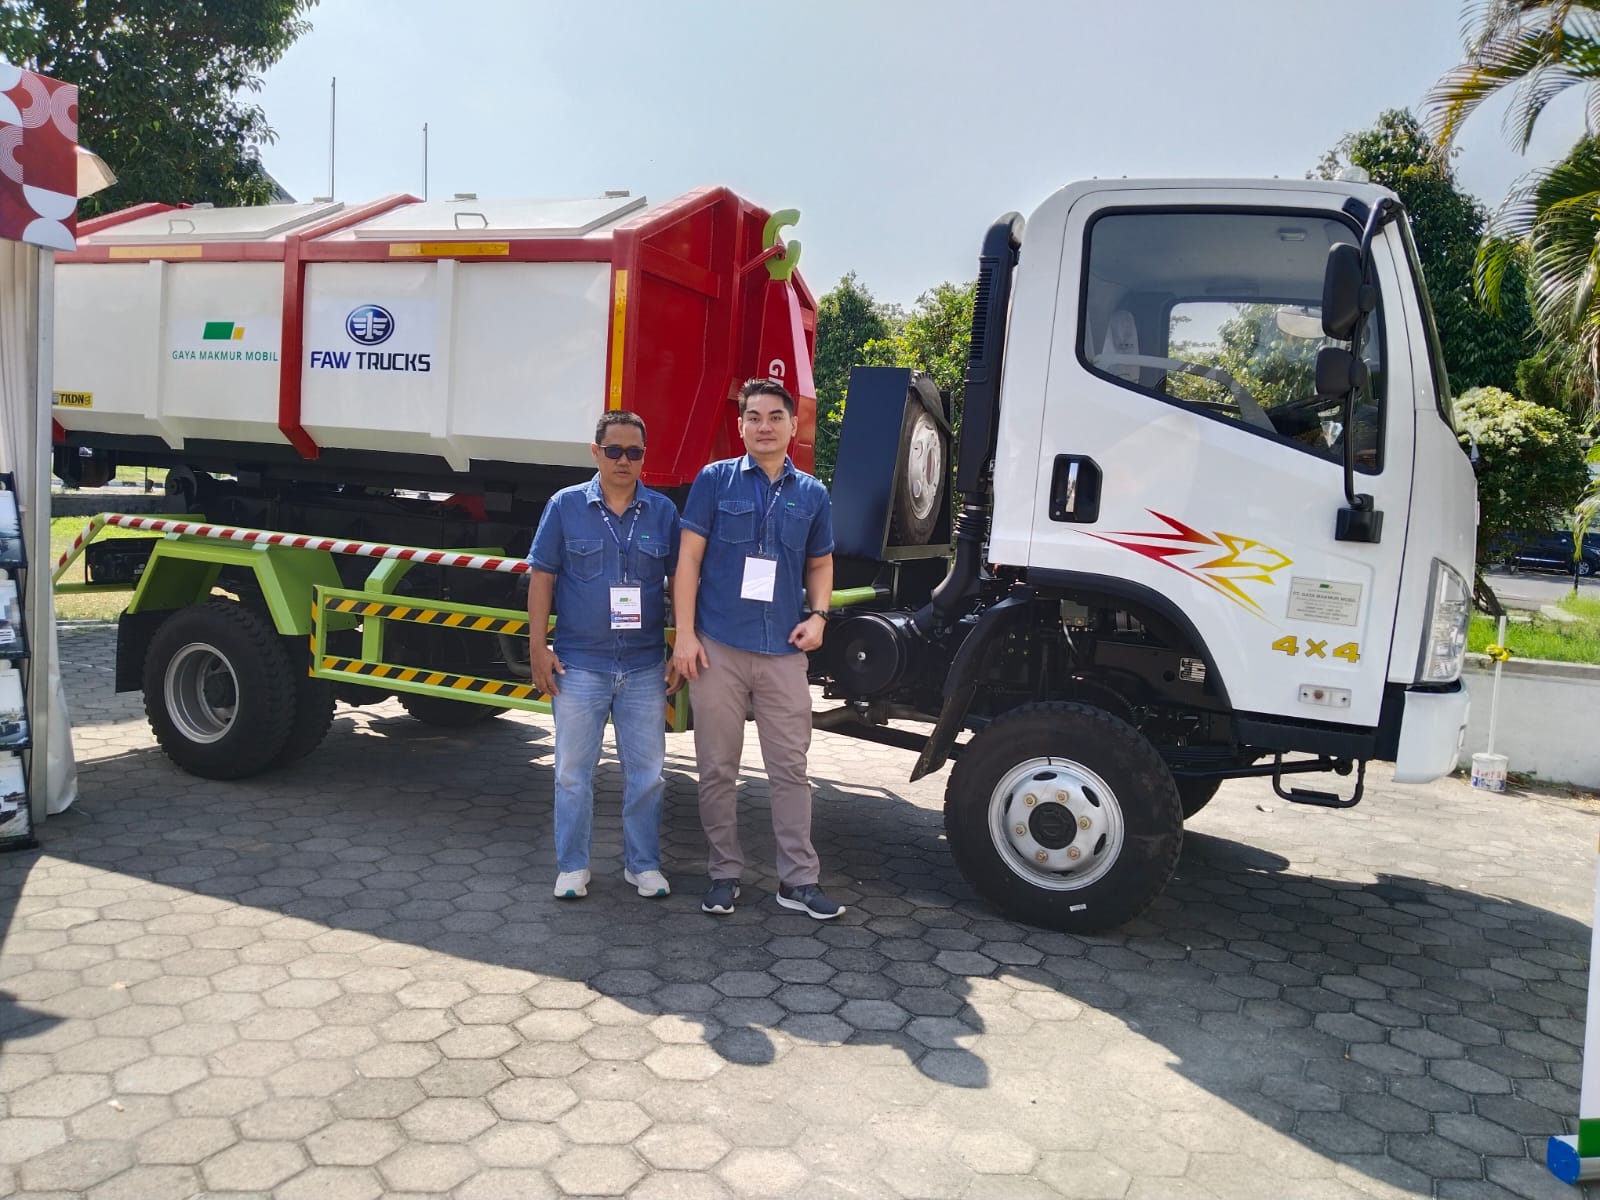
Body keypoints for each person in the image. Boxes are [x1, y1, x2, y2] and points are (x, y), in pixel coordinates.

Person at [670, 378, 842, 920]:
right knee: (717, 768)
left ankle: (799, 880)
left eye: (775, 417)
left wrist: (818, 617)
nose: (764, 426)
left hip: (783, 652)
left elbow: (820, 563)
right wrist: (685, 635)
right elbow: (688, 560)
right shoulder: (714, 481)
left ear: (793, 426)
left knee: (790, 770)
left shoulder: (812, 494)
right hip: (718, 647)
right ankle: (723, 873)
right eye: (753, 417)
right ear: (740, 425)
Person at [527, 411, 679, 900]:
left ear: (644, 457)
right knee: (572, 773)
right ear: (596, 452)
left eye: (634, 452)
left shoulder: (663, 512)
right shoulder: (565, 505)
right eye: (614, 450)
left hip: (643, 666)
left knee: (648, 775)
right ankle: (572, 867)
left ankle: (643, 865)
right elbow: (542, 576)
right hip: (580, 665)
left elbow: (682, 582)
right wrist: (537, 648)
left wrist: (681, 644)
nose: (623, 460)